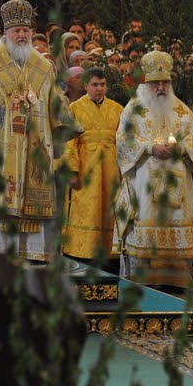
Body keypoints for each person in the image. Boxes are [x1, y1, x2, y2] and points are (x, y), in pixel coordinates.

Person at [0, 0, 78, 262]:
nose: (21, 35)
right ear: (5, 34)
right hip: (1, 147)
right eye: (16, 31)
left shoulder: (44, 67)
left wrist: (59, 137)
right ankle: (0, 257)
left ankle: (35, 256)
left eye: (25, 30)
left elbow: (57, 106)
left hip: (37, 148)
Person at [111, 52, 193, 289]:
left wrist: (182, 148)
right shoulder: (133, 109)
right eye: (156, 83)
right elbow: (122, 140)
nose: (161, 87)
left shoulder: (182, 110)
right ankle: (143, 278)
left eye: (165, 82)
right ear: (147, 82)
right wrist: (150, 147)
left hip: (177, 180)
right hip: (145, 180)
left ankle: (175, 279)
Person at [63, 66, 122, 261]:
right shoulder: (74, 108)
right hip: (86, 166)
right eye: (95, 85)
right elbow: (69, 141)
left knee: (109, 206)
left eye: (102, 85)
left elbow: (124, 141)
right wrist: (71, 170)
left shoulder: (117, 109)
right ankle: (82, 252)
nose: (99, 89)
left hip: (111, 166)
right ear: (85, 86)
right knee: (86, 207)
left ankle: (109, 251)